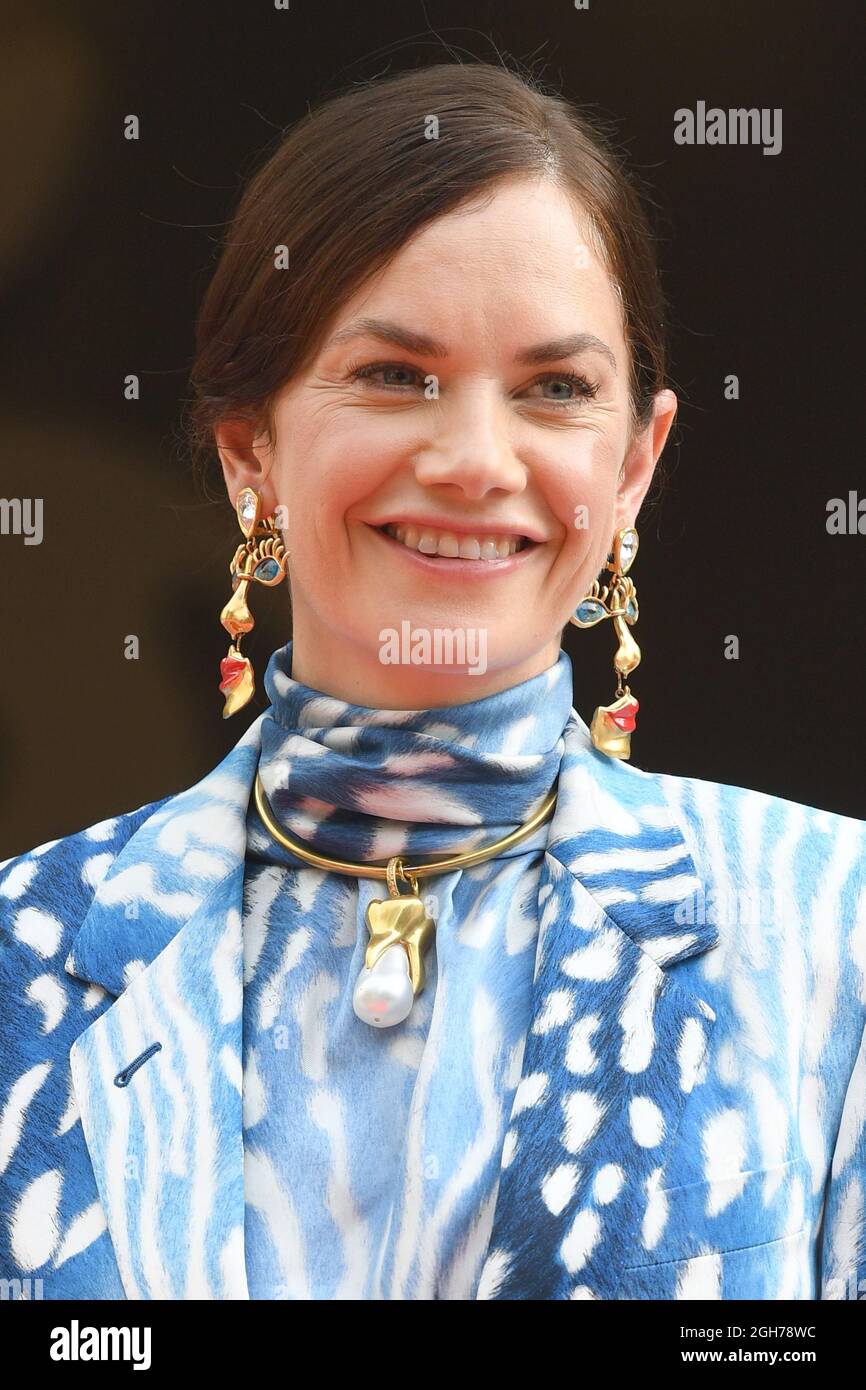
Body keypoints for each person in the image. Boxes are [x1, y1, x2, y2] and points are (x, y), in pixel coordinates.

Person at [1, 60, 864, 1303]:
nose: (471, 460)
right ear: (251, 448)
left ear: (631, 465)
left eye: (553, 390)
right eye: (394, 375)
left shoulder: (827, 929)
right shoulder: (26, 962)